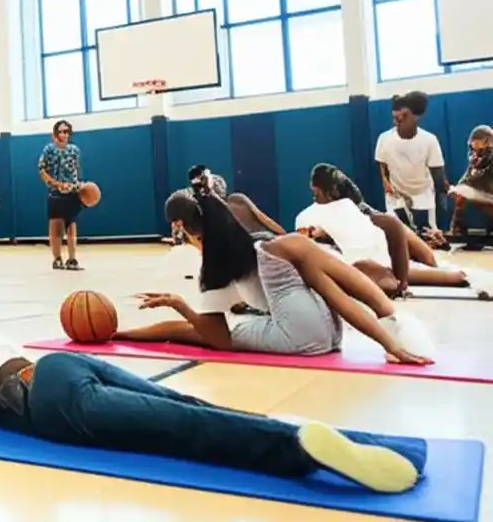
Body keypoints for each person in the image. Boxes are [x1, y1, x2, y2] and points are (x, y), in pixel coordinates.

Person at [0, 219, 428, 495]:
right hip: (55, 380)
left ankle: (315, 449)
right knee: (192, 412)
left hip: (56, 393)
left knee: (194, 423)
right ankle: (346, 445)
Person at [115, 170, 435, 364]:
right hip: (332, 334)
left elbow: (218, 340)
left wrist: (178, 304)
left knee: (193, 331)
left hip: (298, 338)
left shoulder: (215, 267)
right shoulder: (278, 245)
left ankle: (118, 334)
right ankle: (394, 324)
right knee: (313, 280)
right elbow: (341, 289)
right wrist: (391, 339)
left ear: (181, 226)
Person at [303, 164, 475, 296]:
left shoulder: (356, 212)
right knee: (440, 270)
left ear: (329, 193)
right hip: (385, 258)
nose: (314, 199)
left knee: (446, 272)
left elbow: (395, 233)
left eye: (316, 194)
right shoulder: (338, 210)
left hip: (386, 259)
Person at [375, 92, 449, 231]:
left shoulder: (429, 140)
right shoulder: (384, 139)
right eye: (395, 117)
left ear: (416, 116)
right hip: (396, 195)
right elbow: (382, 163)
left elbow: (437, 172)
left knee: (427, 235)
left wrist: (444, 192)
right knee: (399, 234)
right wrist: (385, 181)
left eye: (404, 116)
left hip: (422, 194)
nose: (398, 120)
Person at [38, 120, 87, 270]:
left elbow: (76, 170)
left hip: (72, 192)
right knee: (56, 228)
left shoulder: (74, 150)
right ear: (55, 133)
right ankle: (57, 258)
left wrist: (79, 185)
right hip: (55, 193)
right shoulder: (49, 149)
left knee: (71, 227)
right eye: (61, 131)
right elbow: (41, 170)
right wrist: (55, 183)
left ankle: (72, 259)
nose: (64, 134)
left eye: (66, 131)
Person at [448, 125, 493, 246]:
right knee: (460, 193)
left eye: (480, 151)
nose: (476, 155)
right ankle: (456, 228)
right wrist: (455, 190)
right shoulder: (475, 161)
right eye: (474, 150)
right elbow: (465, 180)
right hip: (486, 196)